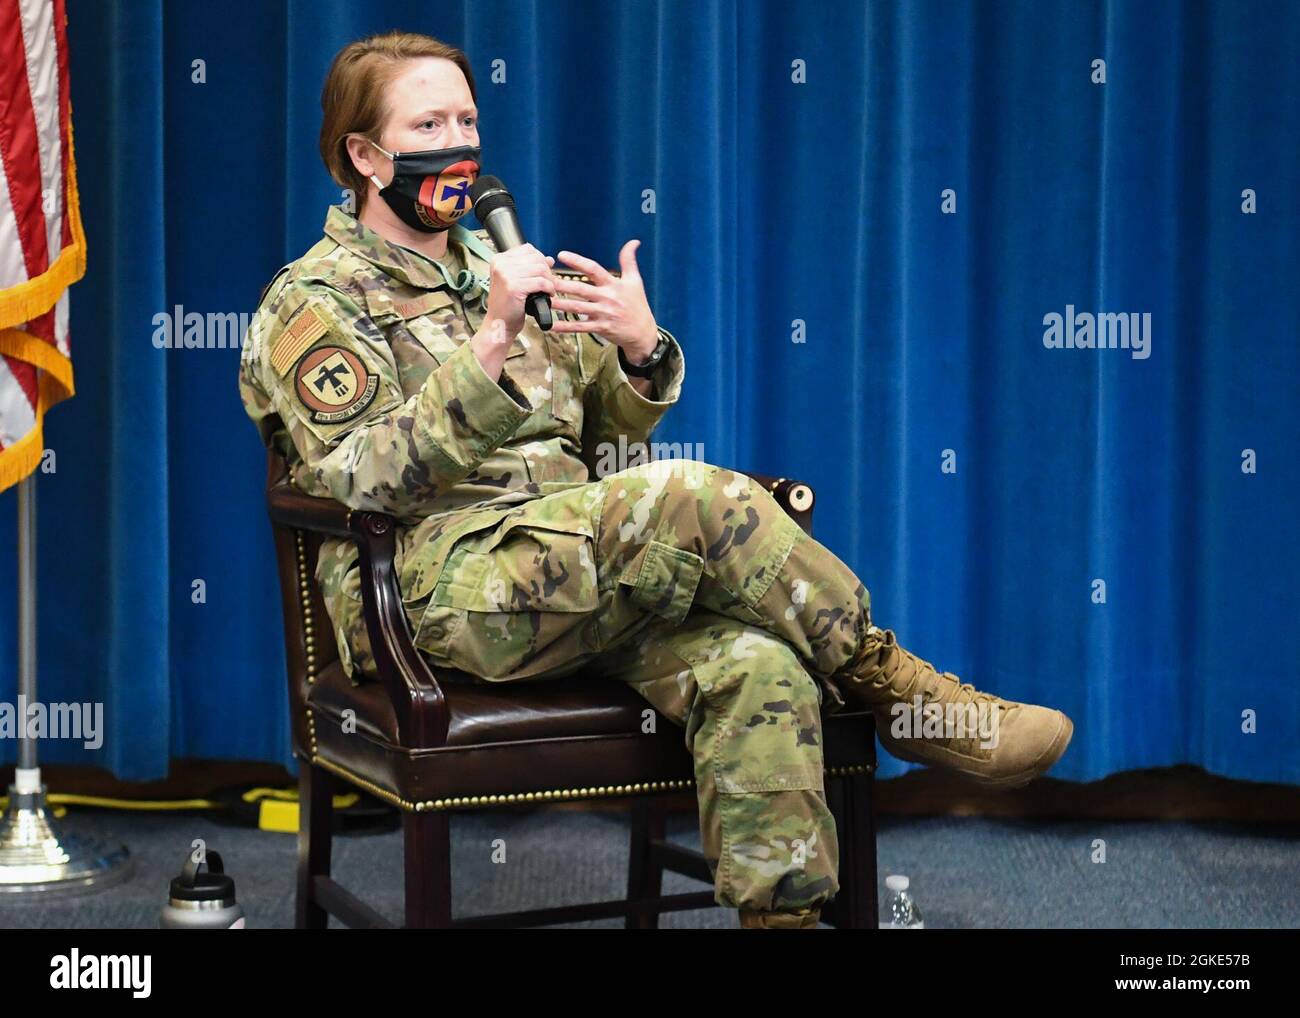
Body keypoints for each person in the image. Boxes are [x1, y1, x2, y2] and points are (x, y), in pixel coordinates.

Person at [239, 30, 1074, 930]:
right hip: (433, 586)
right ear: (366, 155)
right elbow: (362, 481)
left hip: (568, 569)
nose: (459, 142)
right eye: (429, 122)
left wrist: (638, 350)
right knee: (692, 496)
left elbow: (599, 430)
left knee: (760, 666)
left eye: (468, 119)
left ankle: (781, 922)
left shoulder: (503, 267)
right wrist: (487, 350)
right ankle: (907, 693)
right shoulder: (315, 299)